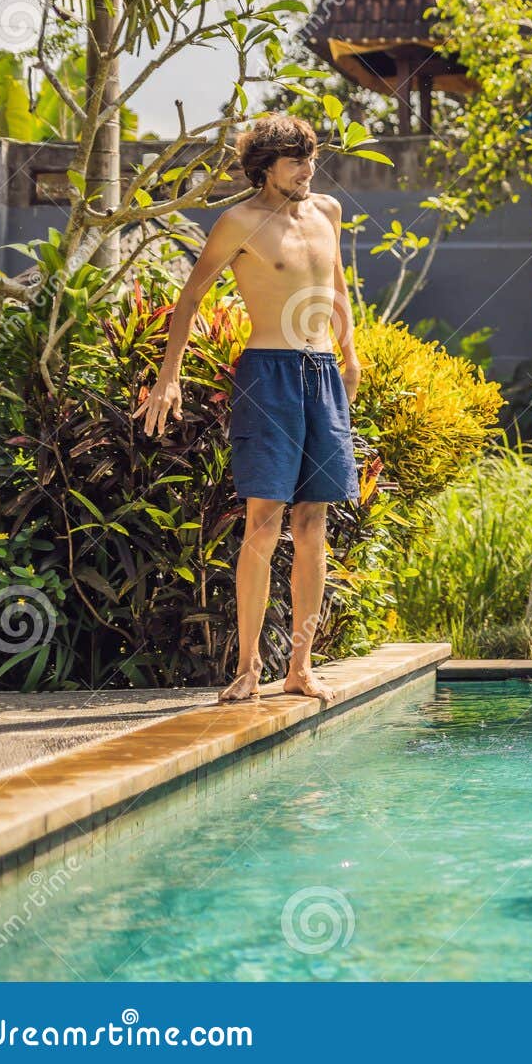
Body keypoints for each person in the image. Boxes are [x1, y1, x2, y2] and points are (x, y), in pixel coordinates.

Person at [134, 114, 359, 705]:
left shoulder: (328, 212)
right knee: (266, 520)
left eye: (311, 158)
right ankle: (249, 665)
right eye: (295, 161)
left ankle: (300, 667)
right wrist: (168, 377)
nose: (308, 170)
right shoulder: (239, 222)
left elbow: (337, 287)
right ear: (265, 167)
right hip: (269, 375)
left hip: (322, 374)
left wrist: (351, 355)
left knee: (314, 523)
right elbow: (190, 298)